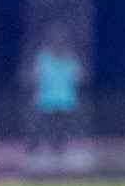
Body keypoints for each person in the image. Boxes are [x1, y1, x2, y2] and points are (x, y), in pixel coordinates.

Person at [26, 26, 83, 169]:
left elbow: (36, 76)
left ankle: (35, 154)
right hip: (62, 100)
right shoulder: (69, 57)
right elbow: (78, 76)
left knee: (42, 129)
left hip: (48, 100)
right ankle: (53, 154)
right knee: (57, 131)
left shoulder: (43, 56)